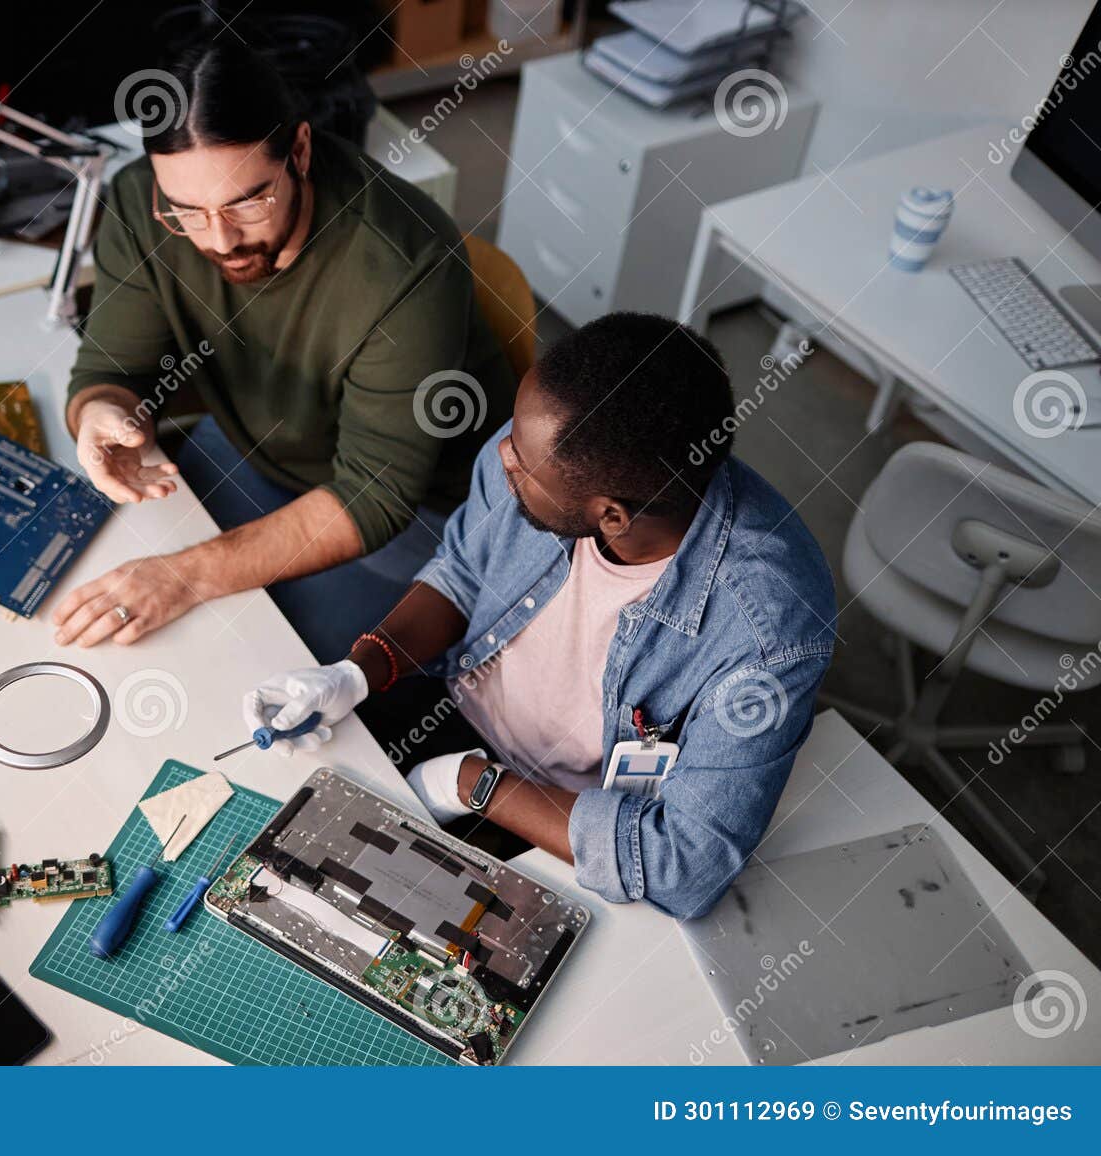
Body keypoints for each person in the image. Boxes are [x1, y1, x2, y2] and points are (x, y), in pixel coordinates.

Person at [242, 313, 837, 919]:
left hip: (566, 818)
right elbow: (462, 573)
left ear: (612, 517)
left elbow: (682, 865)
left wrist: (473, 785)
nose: (503, 453)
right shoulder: (548, 442)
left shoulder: (770, 633)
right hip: (452, 710)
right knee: (273, 833)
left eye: (523, 464)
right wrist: (359, 671)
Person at [53, 40, 514, 659]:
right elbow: (111, 367)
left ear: (298, 149)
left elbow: (372, 497)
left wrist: (187, 575)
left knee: (240, 658)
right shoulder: (143, 201)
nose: (218, 240)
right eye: (187, 211)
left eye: (247, 200)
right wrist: (100, 413)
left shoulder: (407, 263)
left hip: (419, 519)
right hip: (262, 448)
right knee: (94, 584)